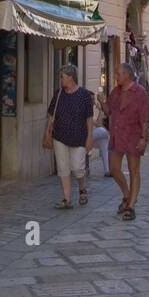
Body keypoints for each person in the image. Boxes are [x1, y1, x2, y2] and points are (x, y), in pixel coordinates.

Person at [46, 65, 97, 209]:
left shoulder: (84, 95)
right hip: (60, 136)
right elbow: (51, 114)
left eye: (62, 77)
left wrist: (89, 137)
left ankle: (82, 187)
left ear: (70, 77)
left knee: (77, 167)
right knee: (63, 168)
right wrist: (47, 132)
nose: (61, 79)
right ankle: (67, 199)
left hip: (79, 136)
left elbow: (89, 118)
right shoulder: (59, 94)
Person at [107, 63, 149, 221]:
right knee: (113, 168)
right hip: (117, 134)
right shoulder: (116, 92)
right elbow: (109, 110)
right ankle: (127, 194)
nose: (115, 76)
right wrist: (100, 102)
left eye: (118, 73)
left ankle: (131, 206)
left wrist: (143, 137)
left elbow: (145, 116)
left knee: (134, 170)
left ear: (127, 75)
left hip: (133, 135)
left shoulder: (140, 93)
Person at [91, 90, 111, 176]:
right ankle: (113, 138)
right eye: (91, 99)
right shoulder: (84, 110)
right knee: (103, 132)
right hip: (83, 137)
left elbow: (99, 123)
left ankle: (107, 170)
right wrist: (107, 132)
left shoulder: (92, 111)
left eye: (93, 99)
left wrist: (100, 111)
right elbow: (98, 125)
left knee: (104, 141)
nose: (93, 101)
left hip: (91, 137)